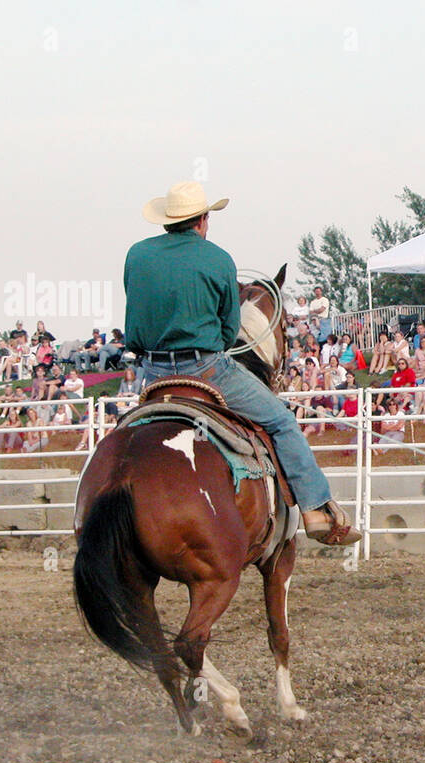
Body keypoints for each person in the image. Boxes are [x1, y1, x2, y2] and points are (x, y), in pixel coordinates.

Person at [124, 180, 358, 545]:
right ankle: (315, 509)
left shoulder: (136, 255)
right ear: (202, 220)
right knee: (281, 421)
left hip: (151, 374)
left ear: (166, 221)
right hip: (206, 370)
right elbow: (228, 329)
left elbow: (133, 323)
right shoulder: (217, 259)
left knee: (123, 434)